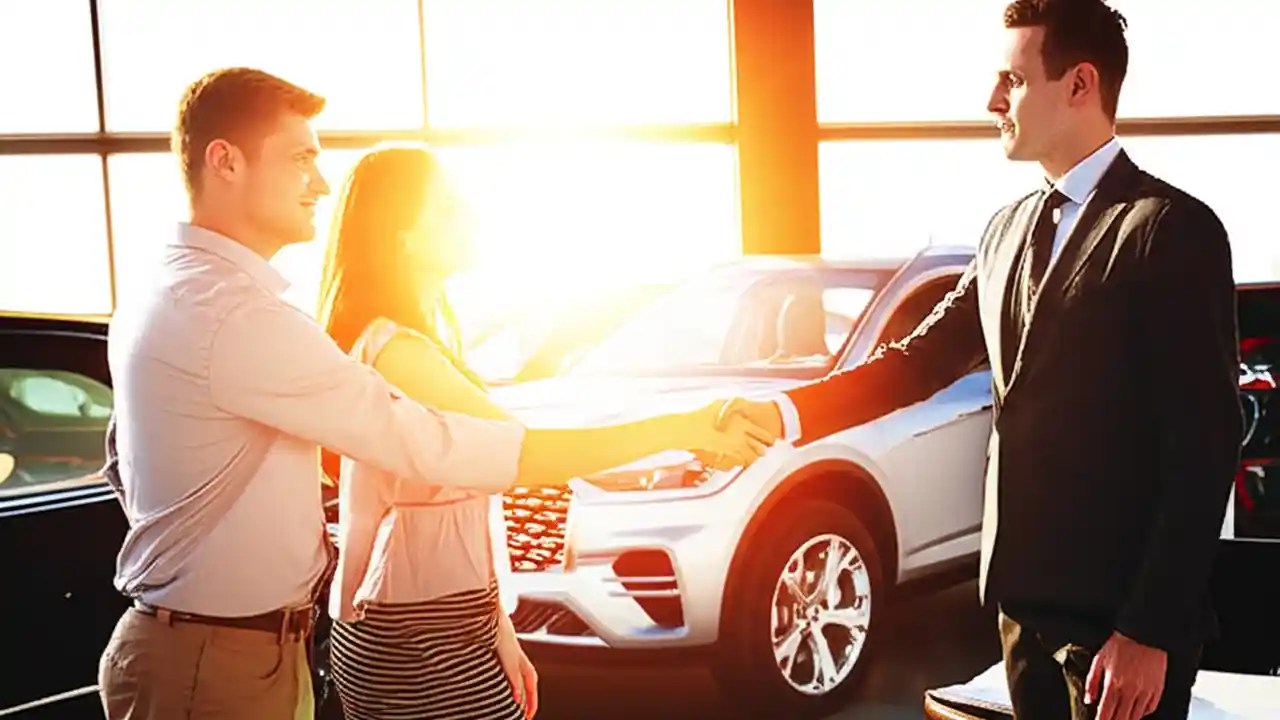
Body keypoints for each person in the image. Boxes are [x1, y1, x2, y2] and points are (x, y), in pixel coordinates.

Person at [97, 67, 777, 720]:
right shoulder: (239, 316)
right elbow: (453, 448)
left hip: (239, 647)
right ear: (226, 161)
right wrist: (679, 430)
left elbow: (124, 463)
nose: (320, 183)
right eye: (300, 158)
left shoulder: (169, 292)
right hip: (227, 659)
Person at [722, 2, 1241, 719]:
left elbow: (1204, 450)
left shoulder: (1171, 230)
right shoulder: (1004, 231)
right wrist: (786, 412)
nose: (991, 102)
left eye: (1012, 80)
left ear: (1080, 84)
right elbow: (918, 362)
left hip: (1122, 626)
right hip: (1021, 611)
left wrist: (1148, 629)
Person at [315, 144, 760, 719]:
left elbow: (459, 512)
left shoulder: (421, 343)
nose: (469, 214)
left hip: (446, 619)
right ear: (402, 236)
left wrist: (496, 625)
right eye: (448, 206)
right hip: (414, 637)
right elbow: (525, 455)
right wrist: (682, 428)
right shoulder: (397, 352)